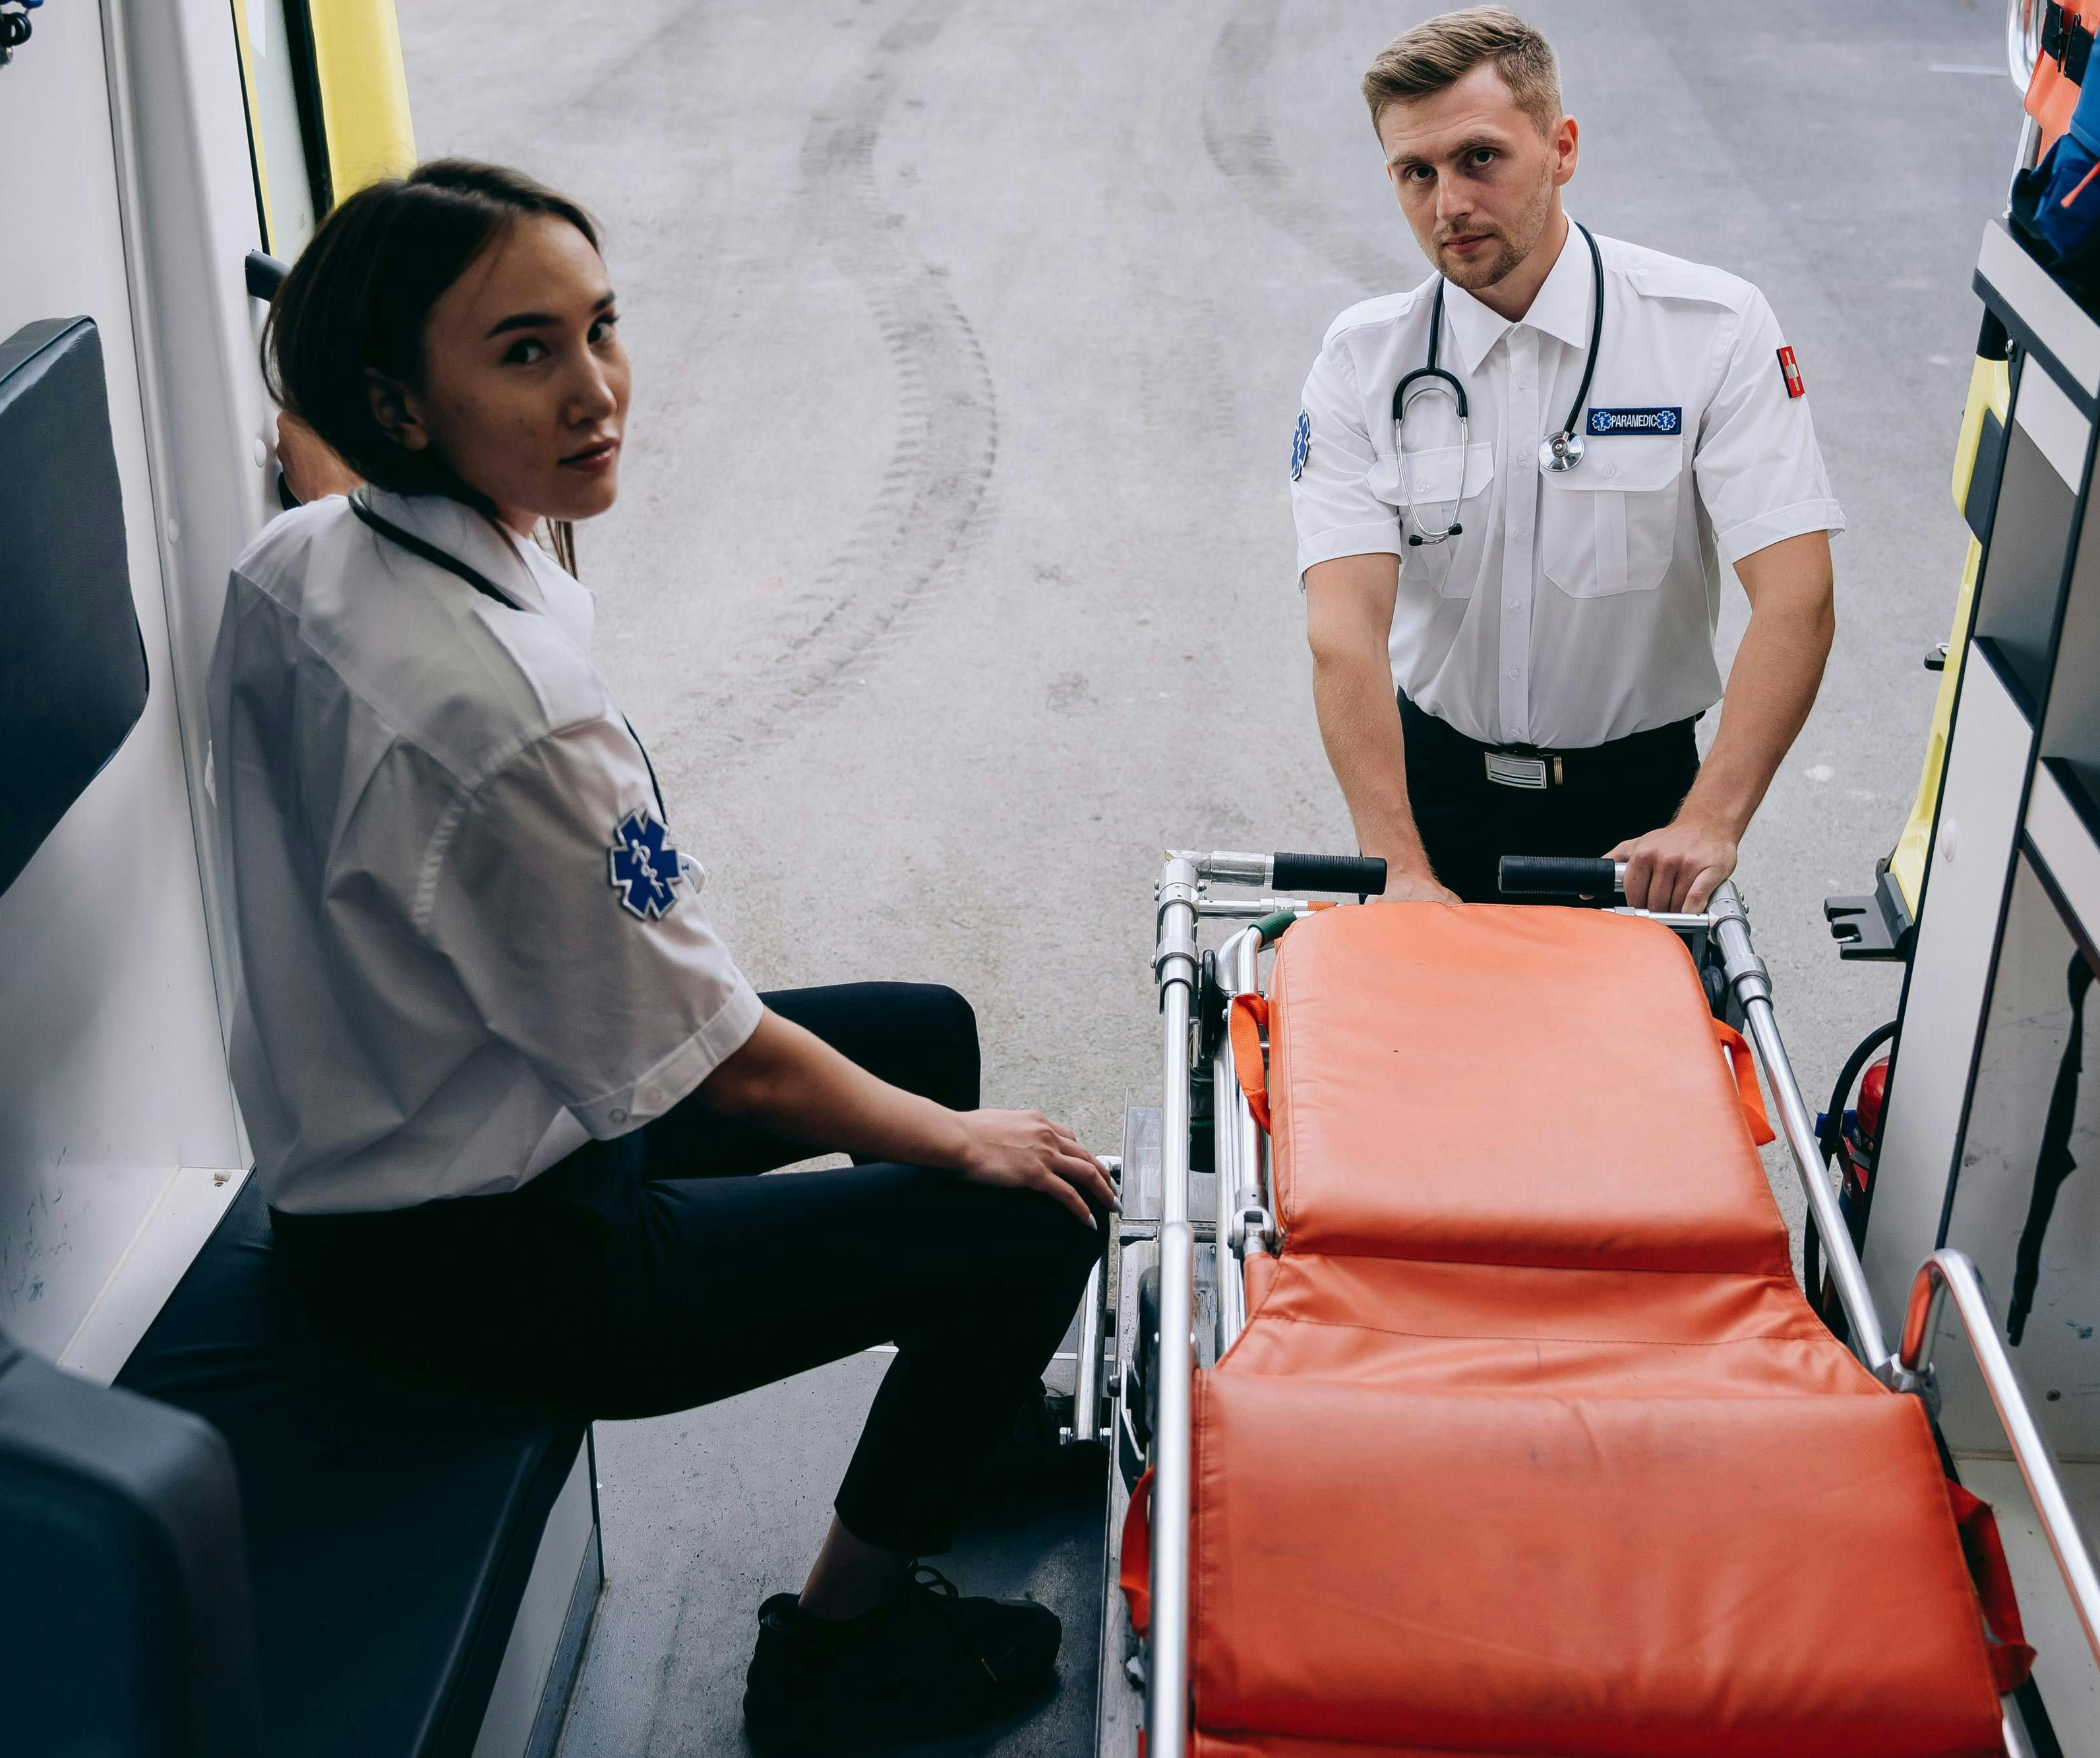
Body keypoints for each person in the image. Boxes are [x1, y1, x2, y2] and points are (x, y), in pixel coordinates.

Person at [211, 160, 1110, 1751]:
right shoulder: (503, 718)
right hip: (481, 1271)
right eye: (524, 352)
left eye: (599, 326)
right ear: (399, 403)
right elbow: (729, 1057)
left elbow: (319, 468)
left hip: (425, 1132)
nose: (597, 389)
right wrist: (966, 1150)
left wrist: (926, 1116)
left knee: (924, 1027)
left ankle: (948, 1444)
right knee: (1029, 1215)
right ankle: (839, 1652)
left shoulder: (309, 556)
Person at [1294, 8, 1842, 910]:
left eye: (1481, 158)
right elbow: (1342, 628)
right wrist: (1398, 864)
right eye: (1415, 173)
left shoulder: (1710, 330)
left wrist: (1711, 820)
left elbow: (1798, 595)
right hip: (1430, 801)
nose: (1449, 204)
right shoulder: (1364, 361)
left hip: (1636, 816)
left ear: (1562, 147)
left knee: (1636, 1052)